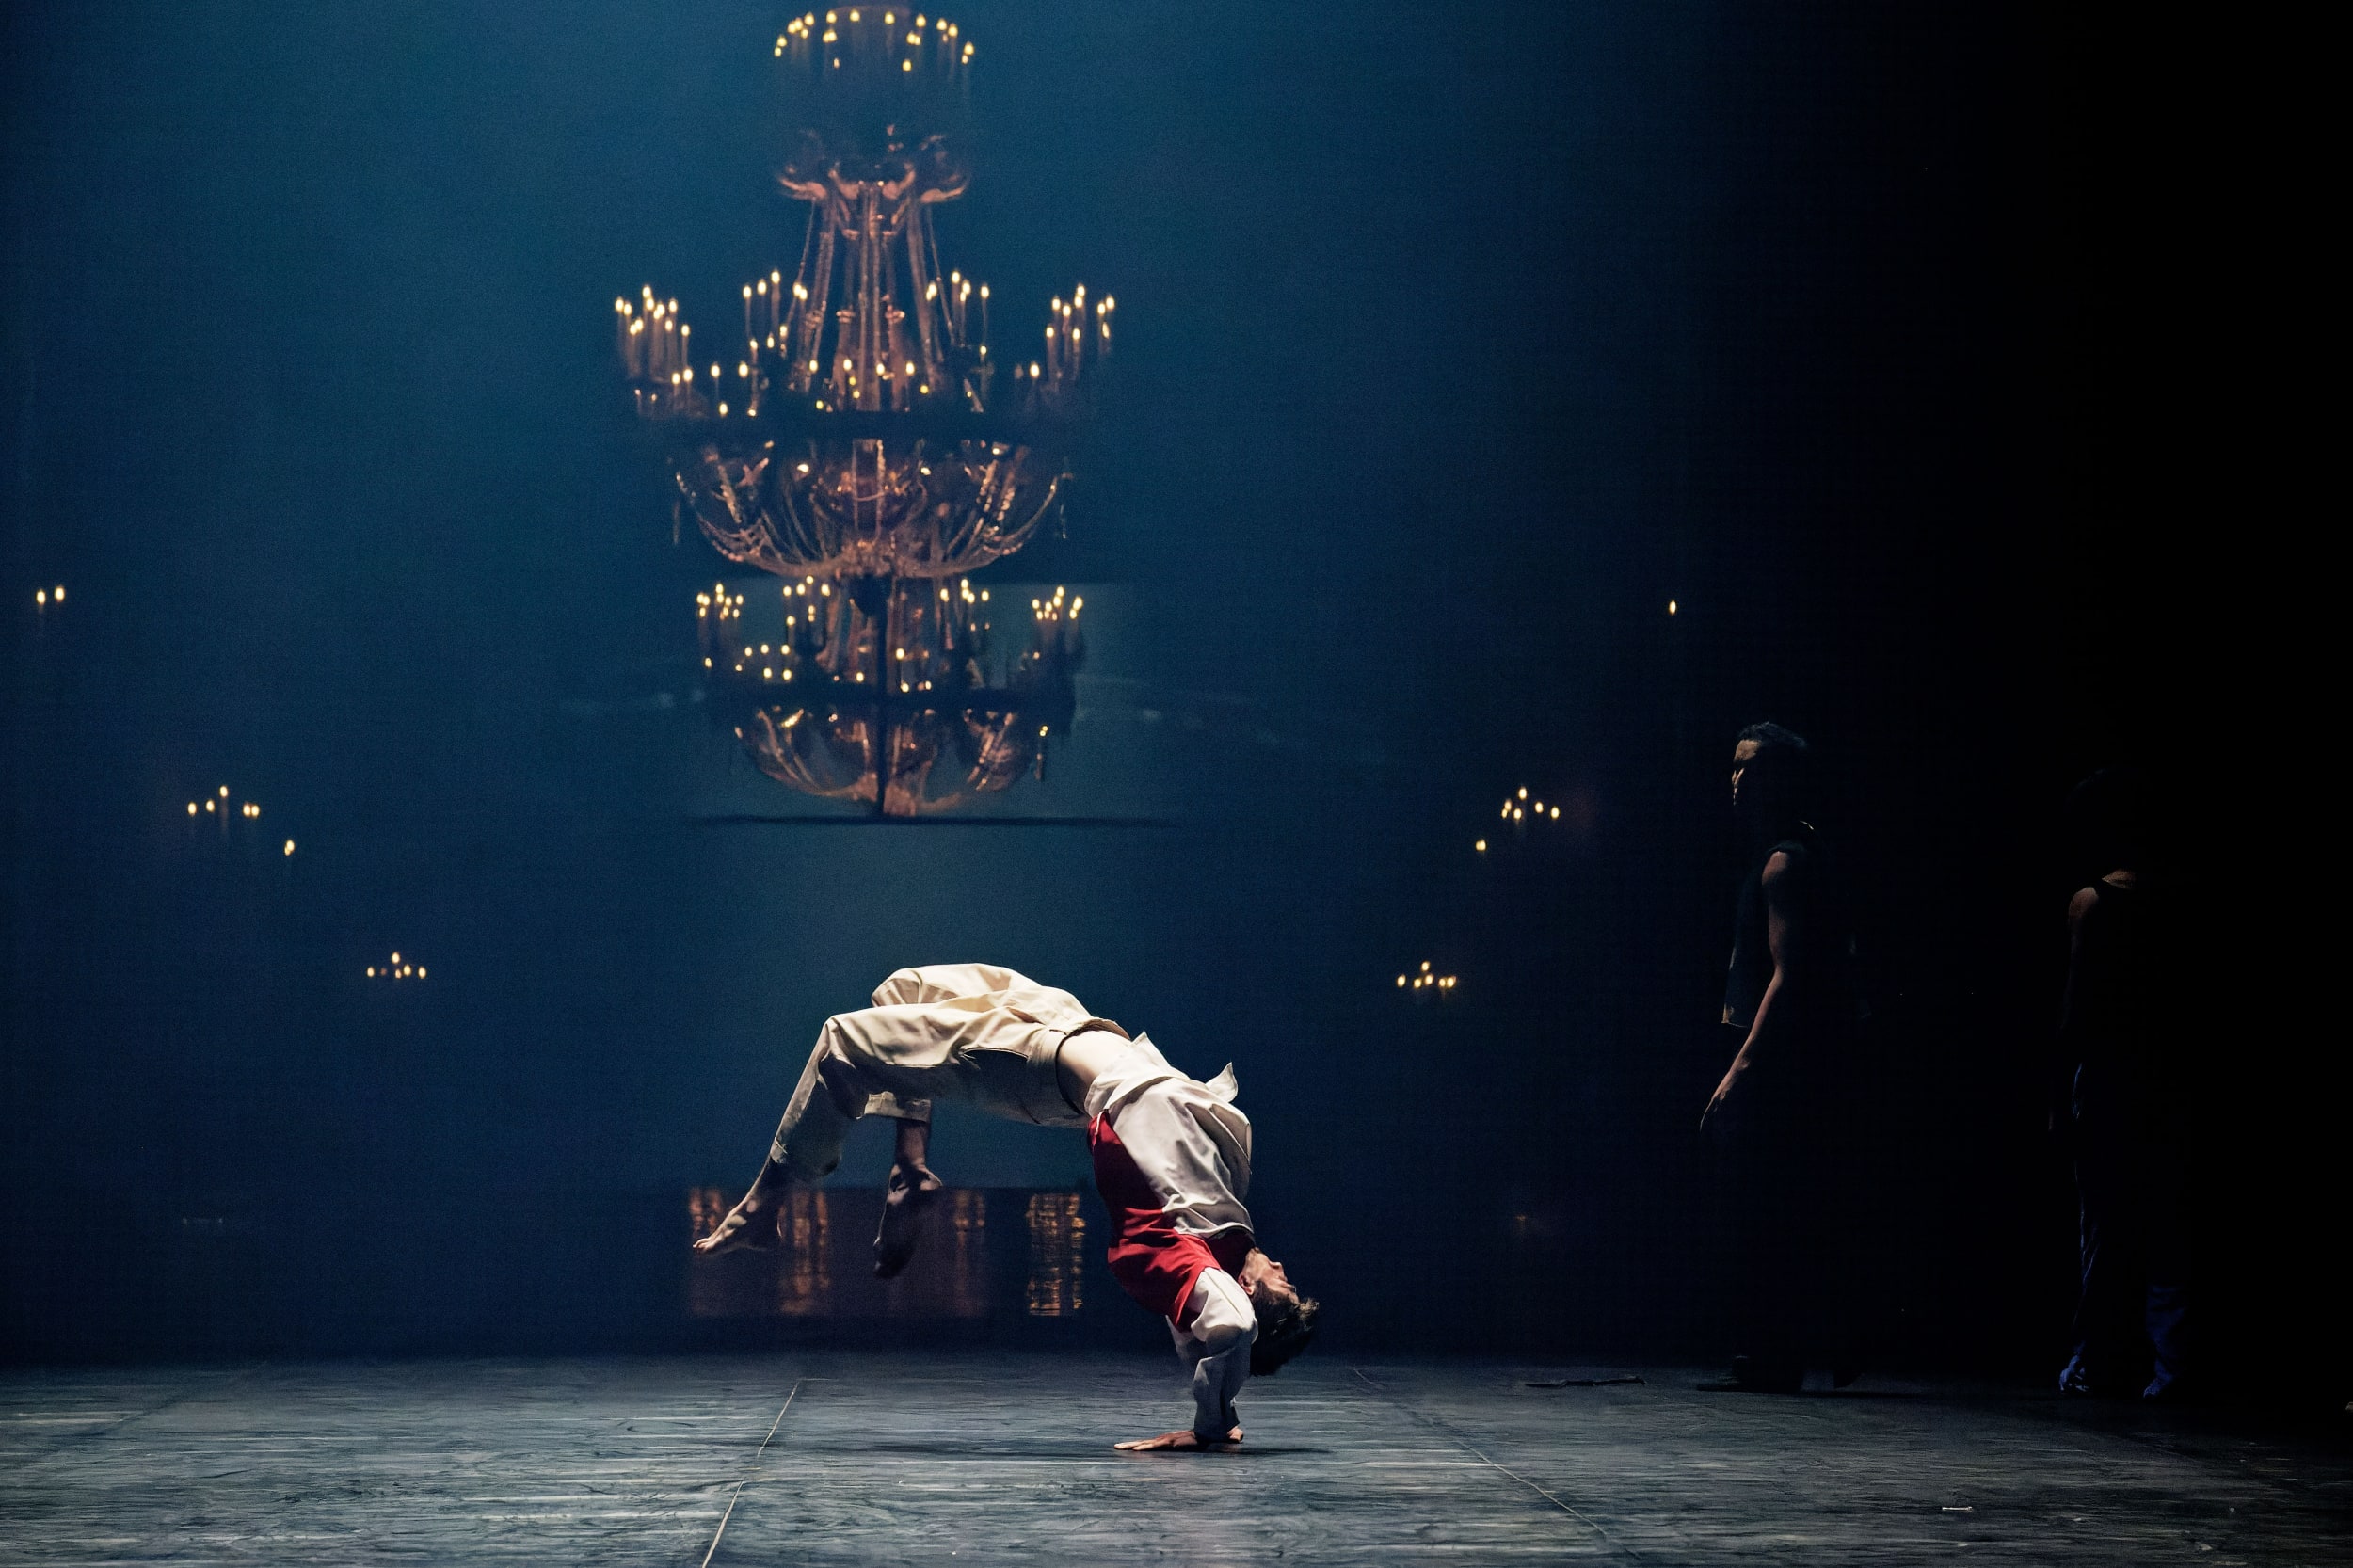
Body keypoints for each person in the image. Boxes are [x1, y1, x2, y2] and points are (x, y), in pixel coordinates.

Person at [693, 963, 1321, 1448]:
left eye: (1282, 1286)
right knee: (901, 991)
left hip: (1033, 1064)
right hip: (1072, 1024)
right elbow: (1199, 1337)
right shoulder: (1229, 1225)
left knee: (844, 1043)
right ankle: (909, 1167)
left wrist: (1209, 1424)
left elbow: (1226, 1328)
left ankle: (762, 1205)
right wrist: (1224, 1408)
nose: (1283, 1268)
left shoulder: (1179, 1253)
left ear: (1246, 1291)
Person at [1699, 722, 1858, 1392]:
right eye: (1734, 768)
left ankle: (1773, 1353)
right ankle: (1779, 1349)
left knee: (1767, 1207)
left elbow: (1789, 977)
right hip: (1792, 1060)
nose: (1737, 783)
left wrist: (1742, 1068)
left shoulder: (1785, 863)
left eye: (1752, 771)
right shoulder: (1789, 856)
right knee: (1779, 1206)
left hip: (1782, 1064)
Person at [2053, 768, 2187, 1400]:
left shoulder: (2092, 903)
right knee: (2169, 1226)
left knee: (2105, 1229)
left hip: (2110, 1076)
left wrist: (2059, 1092)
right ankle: (2173, 1368)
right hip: (2168, 1076)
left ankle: (2096, 1361)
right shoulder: (2176, 900)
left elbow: (2076, 1008)